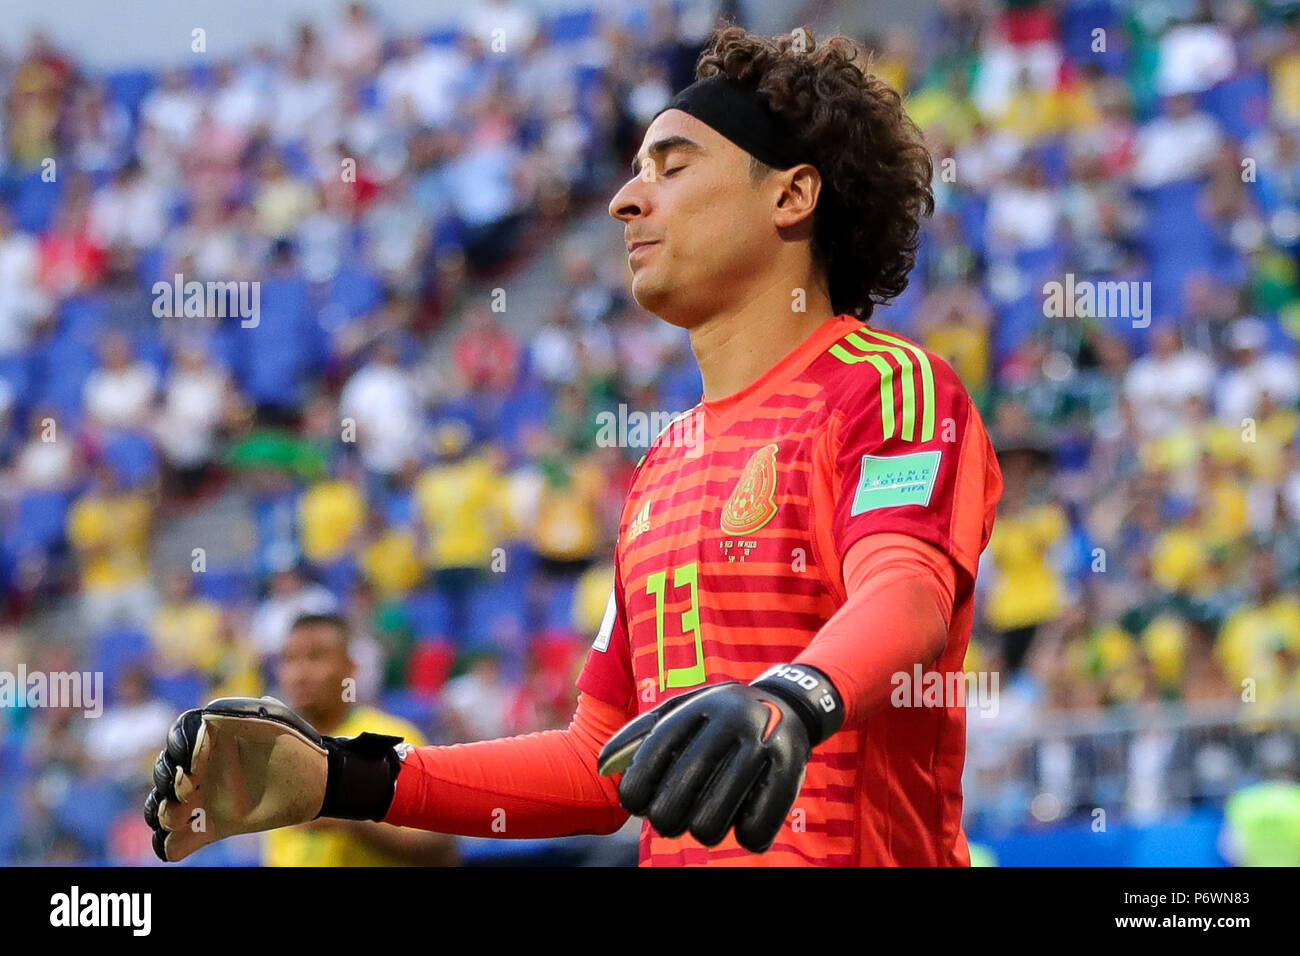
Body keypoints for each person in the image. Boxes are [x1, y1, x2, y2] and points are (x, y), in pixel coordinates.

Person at [146, 25, 1002, 867]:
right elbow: (596, 766)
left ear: (790, 195)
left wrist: (794, 696)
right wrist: (341, 778)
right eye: (634, 173)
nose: (625, 200)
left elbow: (907, 595)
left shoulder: (883, 385)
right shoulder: (665, 465)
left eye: (671, 167)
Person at [262, 613, 457, 866]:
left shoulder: (390, 740)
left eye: (316, 657)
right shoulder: (276, 750)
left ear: (350, 667)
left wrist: (351, 822)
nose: (300, 673)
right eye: (289, 659)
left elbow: (442, 849)